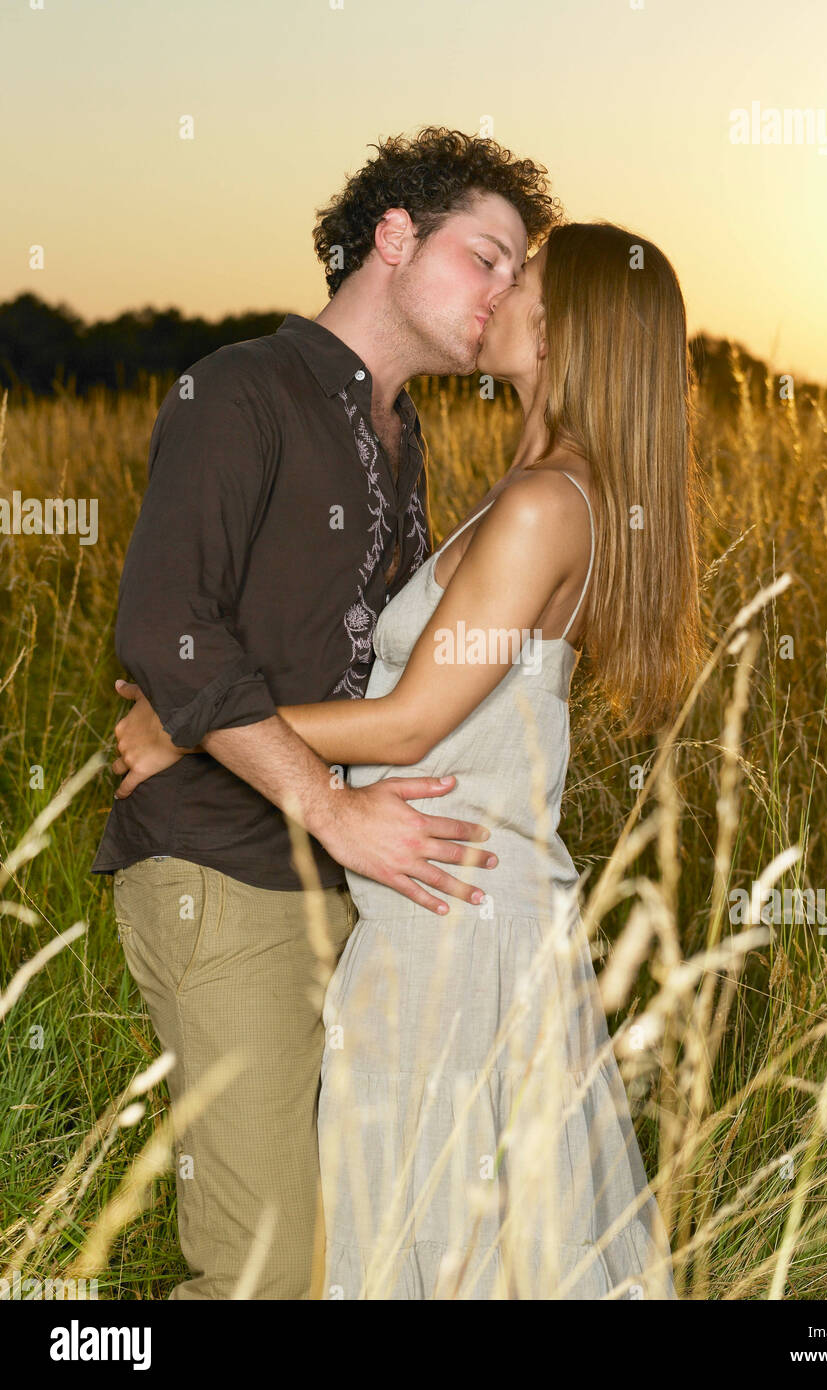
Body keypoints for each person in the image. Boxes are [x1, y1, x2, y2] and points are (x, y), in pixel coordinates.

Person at [113, 221, 704, 1298]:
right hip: (449, 894)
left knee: (426, 1226)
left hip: (453, 908)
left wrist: (191, 723)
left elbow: (408, 725)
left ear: (571, 326)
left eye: (522, 275)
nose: (501, 292)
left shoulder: (539, 507)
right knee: (456, 1227)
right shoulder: (532, 491)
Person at [96, 126, 560, 1299]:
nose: (504, 292)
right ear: (394, 237)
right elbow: (167, 631)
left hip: (343, 894)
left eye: (520, 271)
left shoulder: (405, 439)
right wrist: (325, 803)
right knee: (263, 1274)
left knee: (353, 1247)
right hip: (225, 866)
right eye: (488, 255)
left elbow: (364, 675)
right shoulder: (242, 386)